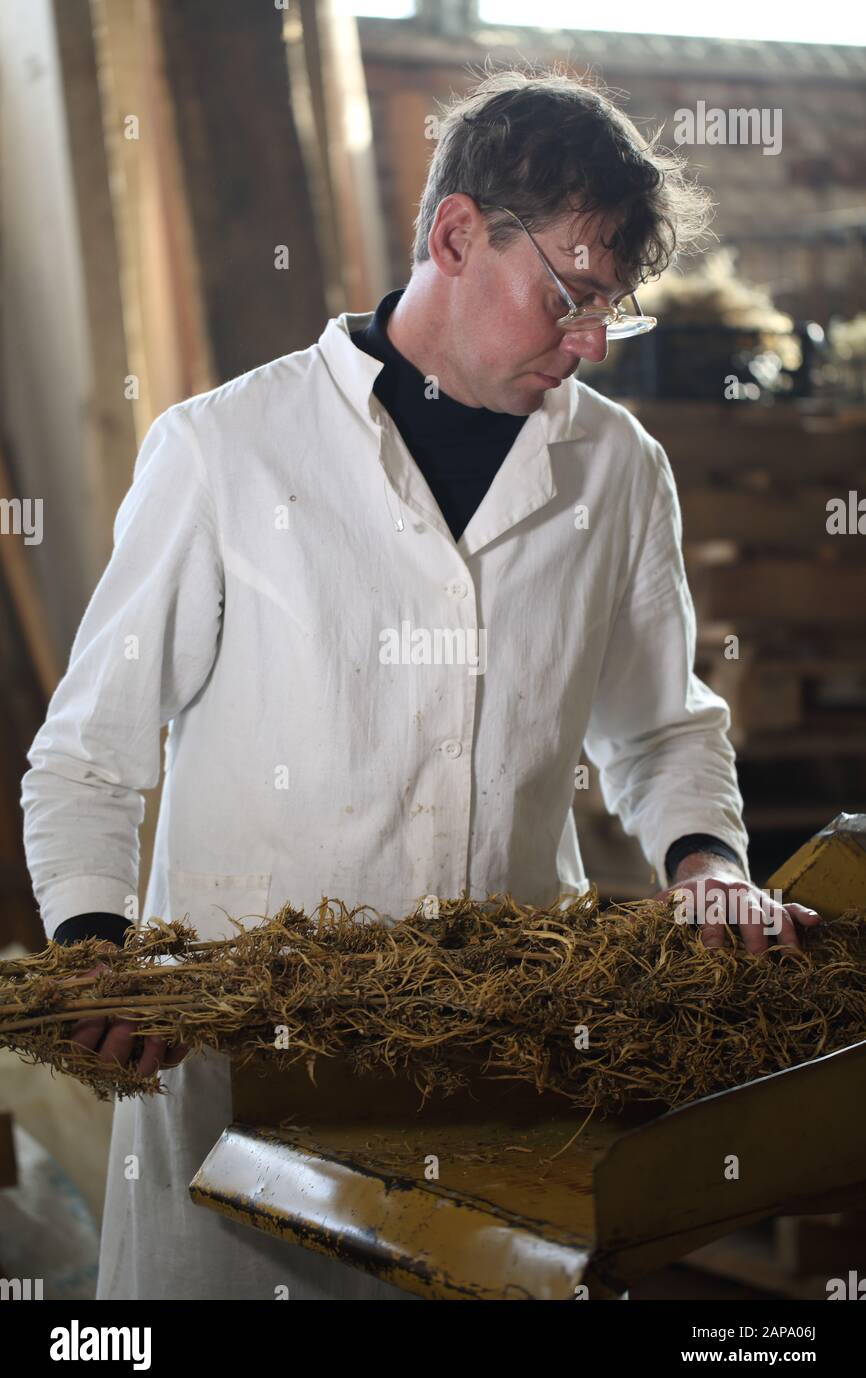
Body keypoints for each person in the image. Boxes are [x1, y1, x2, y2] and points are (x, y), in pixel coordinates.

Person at [20, 68, 818, 1301]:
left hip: (504, 1066)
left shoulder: (613, 468)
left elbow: (660, 726)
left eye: (609, 312)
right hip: (242, 1069)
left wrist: (705, 863)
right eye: (568, 296)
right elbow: (90, 751)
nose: (588, 343)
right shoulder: (227, 451)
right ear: (455, 235)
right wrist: (93, 947)